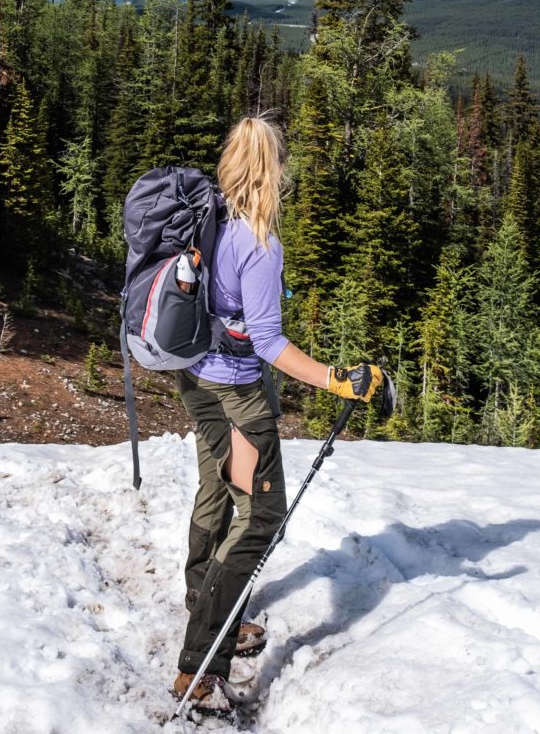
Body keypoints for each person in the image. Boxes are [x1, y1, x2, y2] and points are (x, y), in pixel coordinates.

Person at [171, 114, 385, 714]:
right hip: (238, 391)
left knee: (216, 492)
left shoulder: (205, 216)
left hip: (194, 379)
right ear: (274, 171)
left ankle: (206, 605)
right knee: (259, 516)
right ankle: (200, 668)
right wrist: (336, 381)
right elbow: (267, 341)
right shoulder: (258, 243)